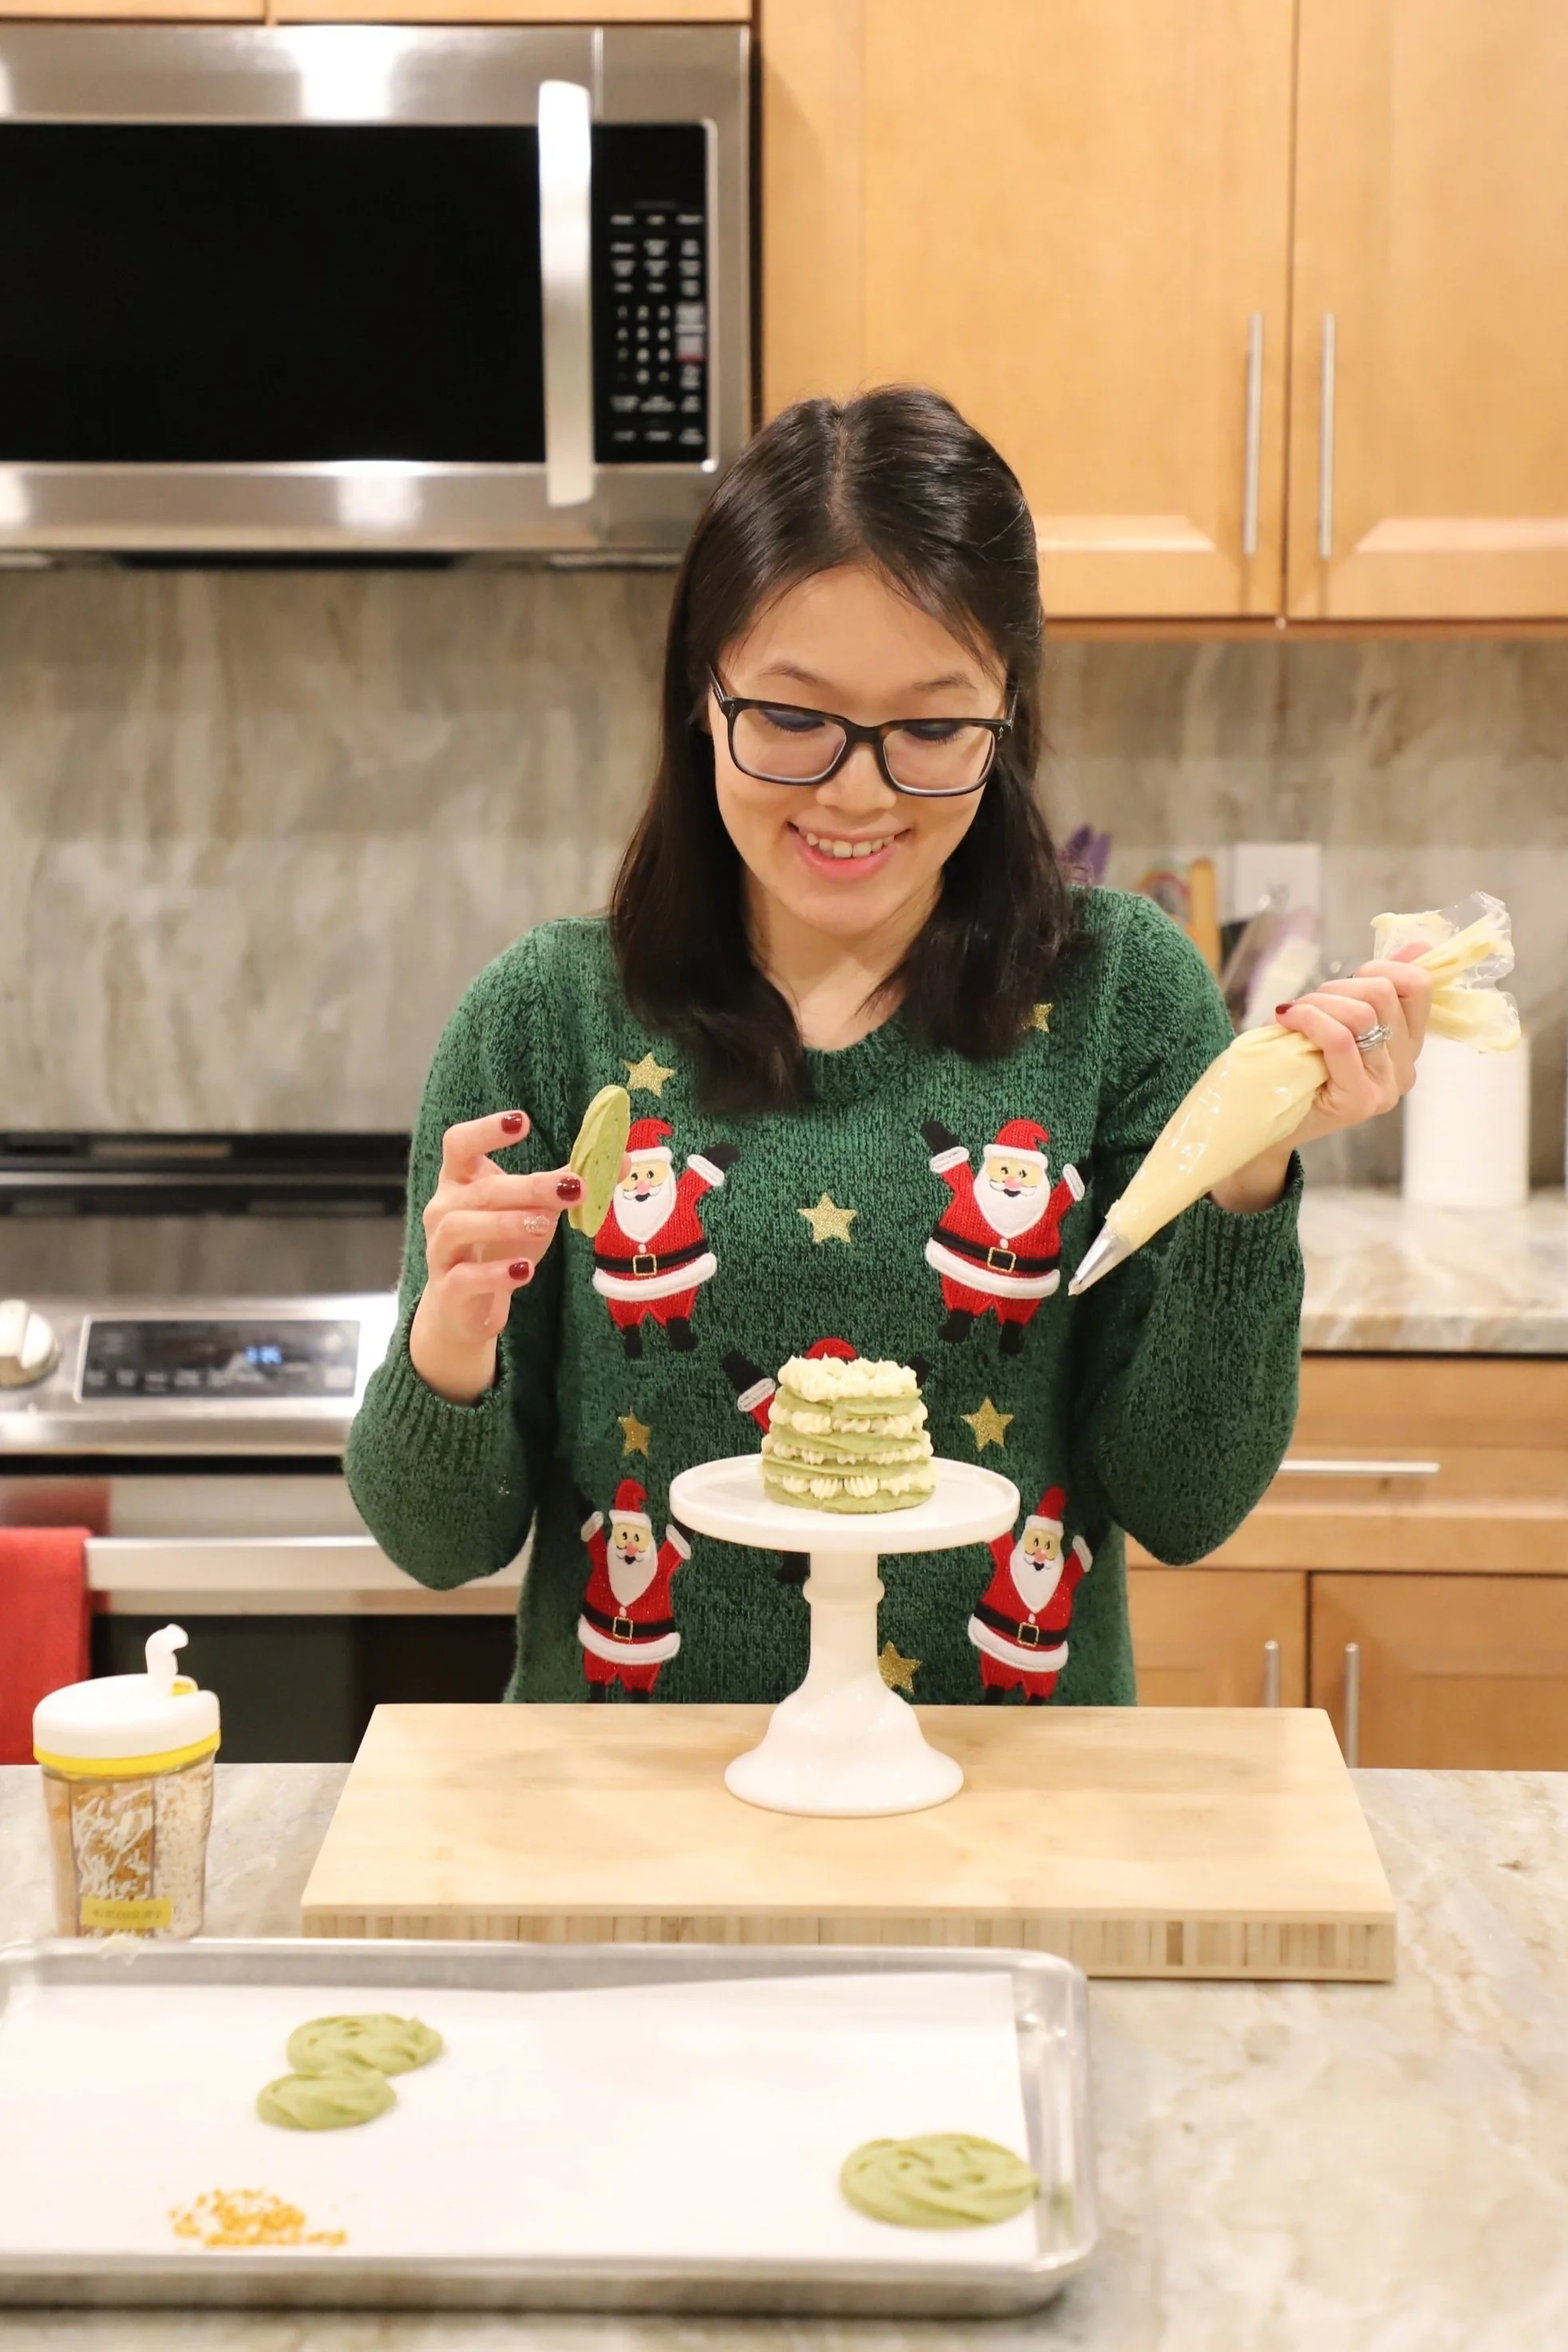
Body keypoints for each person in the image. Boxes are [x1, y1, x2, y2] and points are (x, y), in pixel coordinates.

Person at [346, 387, 1431, 1707]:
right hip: (635, 1820)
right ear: (705, 693)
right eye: (793, 718)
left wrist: (1252, 1175)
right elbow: (437, 1544)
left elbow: (1184, 1502)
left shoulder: (1120, 997)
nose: (856, 792)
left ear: (1008, 716)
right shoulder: (546, 1016)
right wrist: (450, 1339)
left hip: (1002, 1811)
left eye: (930, 729)